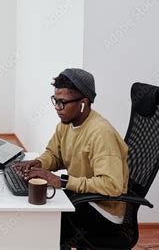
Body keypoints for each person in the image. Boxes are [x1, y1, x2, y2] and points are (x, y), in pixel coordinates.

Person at [14, 68, 129, 247]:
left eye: (62, 103)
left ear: (83, 103)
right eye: (55, 101)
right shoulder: (66, 124)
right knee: (34, 212)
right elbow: (54, 154)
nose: (57, 108)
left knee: (40, 222)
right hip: (81, 197)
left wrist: (63, 182)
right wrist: (39, 162)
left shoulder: (101, 133)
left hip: (103, 212)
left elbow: (111, 186)